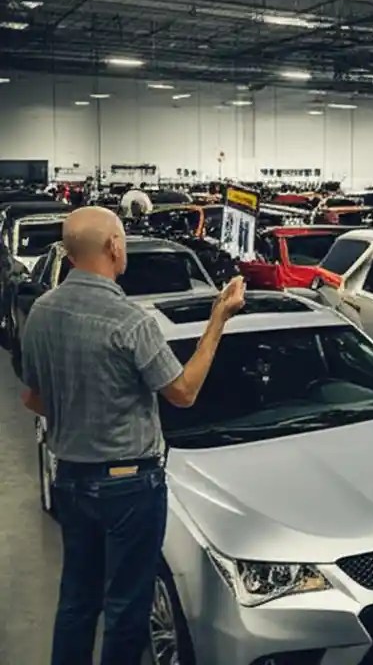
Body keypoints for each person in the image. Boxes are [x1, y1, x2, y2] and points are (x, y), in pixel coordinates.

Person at [19, 206, 245, 665]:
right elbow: (182, 392)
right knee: (126, 608)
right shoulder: (130, 321)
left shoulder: (41, 312)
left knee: (78, 600)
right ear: (114, 246)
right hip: (128, 487)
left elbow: (35, 400)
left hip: (71, 481)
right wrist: (218, 319)